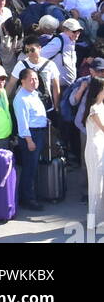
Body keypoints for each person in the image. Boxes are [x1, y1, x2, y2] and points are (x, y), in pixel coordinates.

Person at [13, 66, 48, 211]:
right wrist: (29, 140)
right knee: (29, 168)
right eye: (31, 79)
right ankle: (28, 199)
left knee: (33, 167)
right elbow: (23, 122)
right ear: (22, 81)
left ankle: (28, 195)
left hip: (39, 132)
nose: (34, 82)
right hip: (31, 135)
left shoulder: (33, 94)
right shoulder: (21, 98)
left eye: (35, 79)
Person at [7, 35, 60, 110]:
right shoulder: (21, 65)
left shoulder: (50, 65)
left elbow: (56, 86)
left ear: (39, 48)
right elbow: (11, 84)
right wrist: (3, 102)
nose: (29, 53)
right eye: (26, 51)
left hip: (46, 106)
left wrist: (56, 106)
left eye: (32, 50)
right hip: (26, 107)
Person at [82, 77, 104, 229]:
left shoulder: (101, 106)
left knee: (100, 185)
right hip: (94, 149)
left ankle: (99, 219)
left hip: (100, 147)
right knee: (96, 185)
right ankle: (93, 222)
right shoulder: (94, 109)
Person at [42, 16, 83, 86]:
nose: (77, 34)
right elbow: (40, 55)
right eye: (74, 31)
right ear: (65, 30)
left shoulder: (72, 42)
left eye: (79, 31)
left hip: (69, 85)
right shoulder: (58, 42)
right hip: (58, 86)